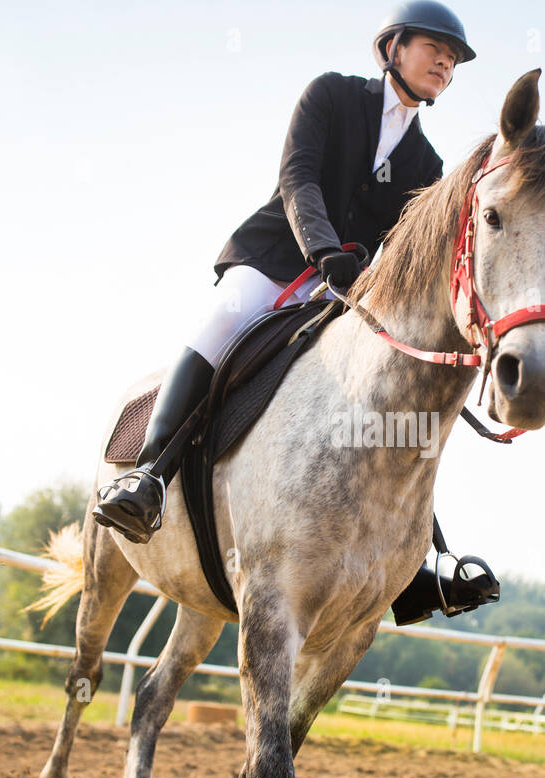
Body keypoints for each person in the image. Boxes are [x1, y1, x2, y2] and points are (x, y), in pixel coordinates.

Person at [93, 2, 498, 624]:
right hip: (276, 256)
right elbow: (298, 180)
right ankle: (145, 477)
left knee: (389, 392)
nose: (446, 61)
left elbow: (407, 250)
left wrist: (363, 279)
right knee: (223, 320)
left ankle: (418, 560)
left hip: (346, 287)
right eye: (434, 47)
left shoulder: (427, 166)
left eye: (454, 57)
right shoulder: (332, 96)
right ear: (393, 46)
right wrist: (324, 251)